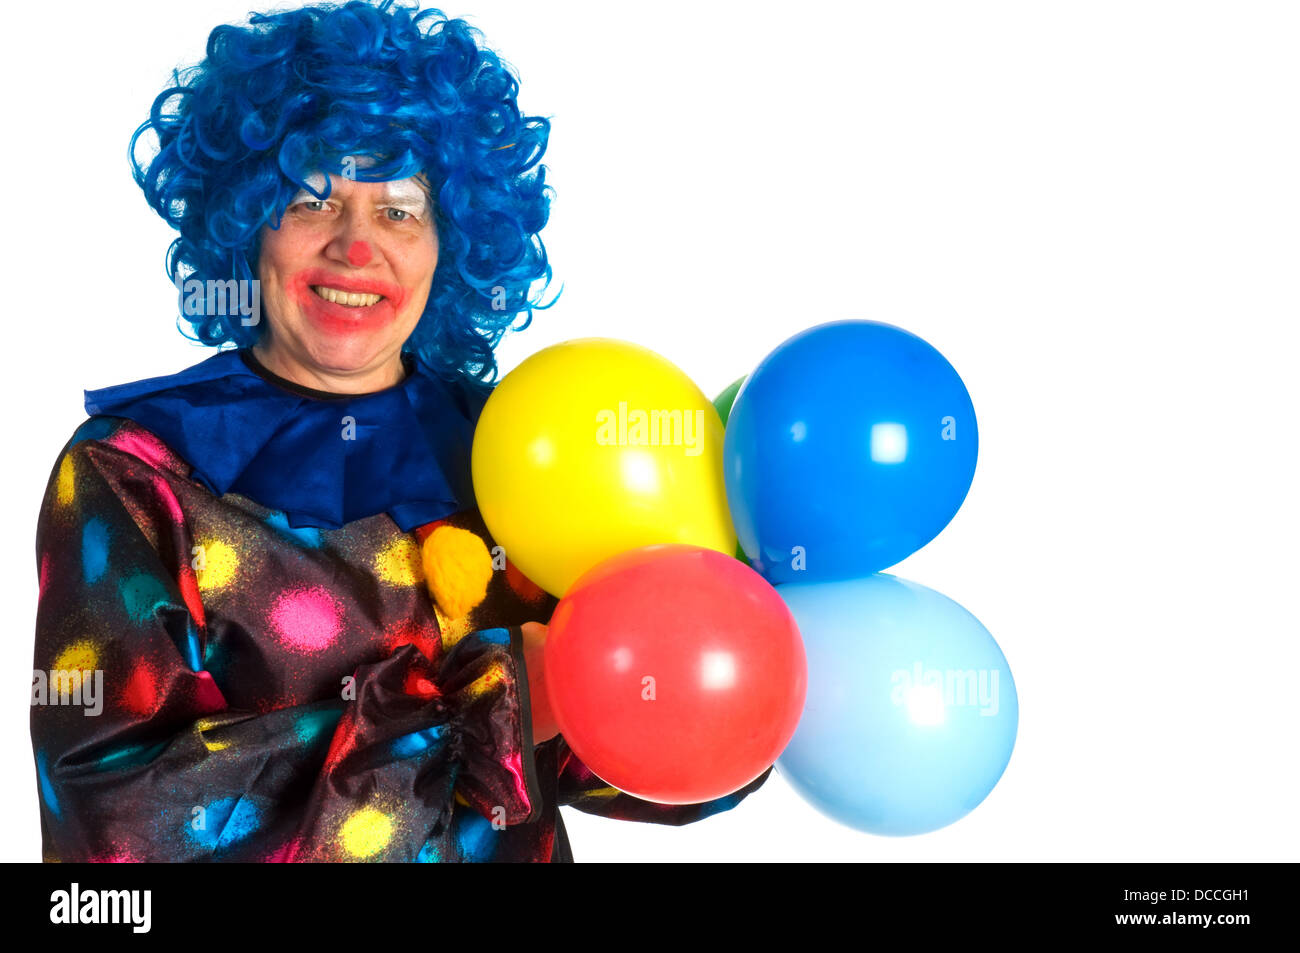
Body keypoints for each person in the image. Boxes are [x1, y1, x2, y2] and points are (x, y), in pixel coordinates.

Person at [30, 0, 768, 862]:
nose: (355, 247)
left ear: (450, 243)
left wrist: (733, 642)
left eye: (400, 210)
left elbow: (613, 759)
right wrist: (485, 709)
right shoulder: (137, 471)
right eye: (312, 201)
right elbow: (115, 821)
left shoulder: (514, 455)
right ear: (247, 225)